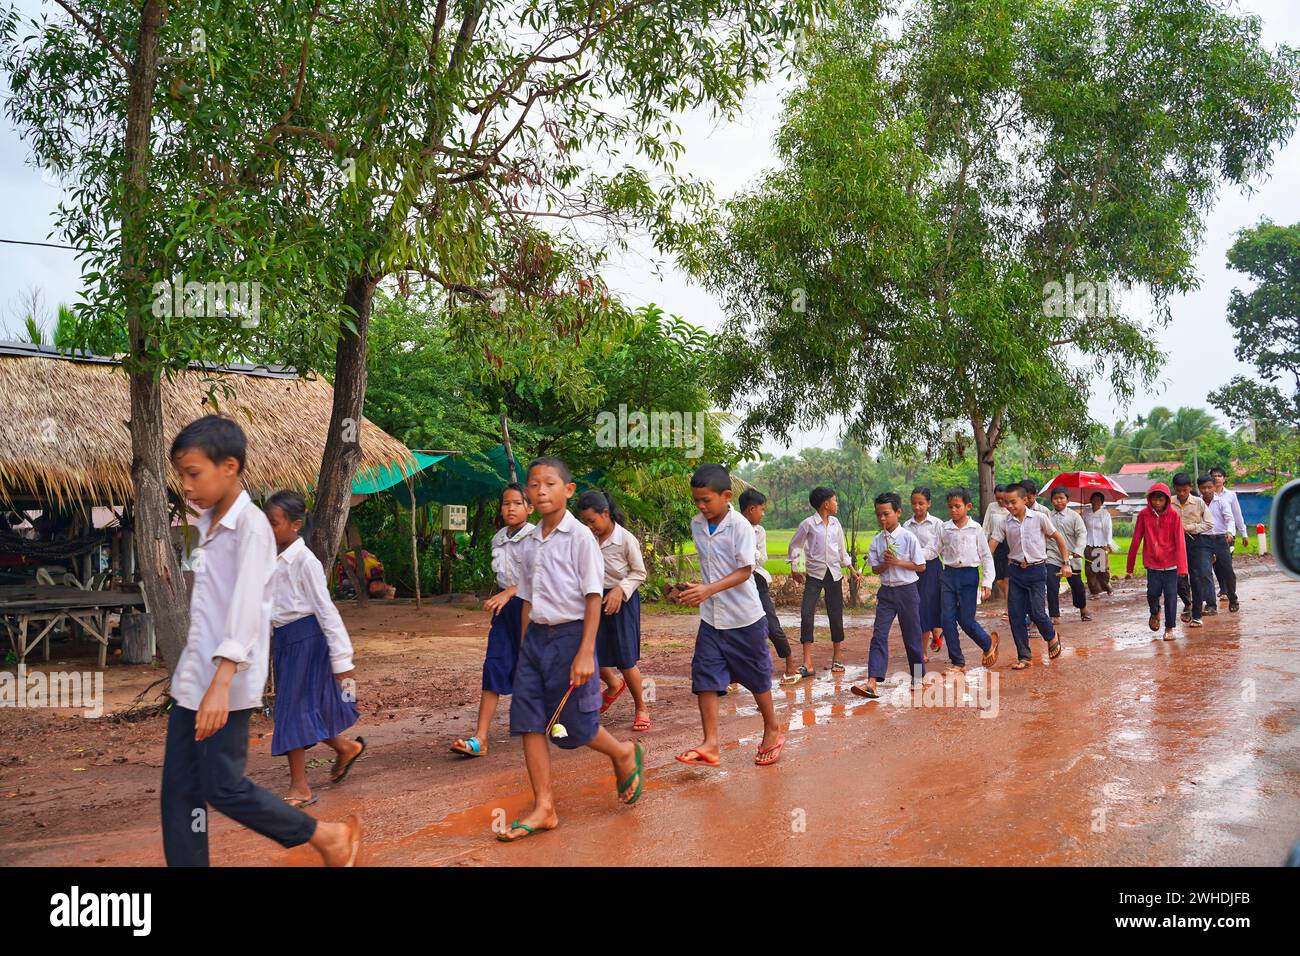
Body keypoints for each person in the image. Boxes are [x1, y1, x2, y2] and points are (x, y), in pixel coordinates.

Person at [161, 415, 360, 867]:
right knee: (181, 791)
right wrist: (195, 680)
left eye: (193, 473)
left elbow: (248, 607)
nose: (186, 486)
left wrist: (220, 682)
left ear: (228, 467)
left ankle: (326, 837)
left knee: (223, 785)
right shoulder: (208, 523)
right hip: (195, 679)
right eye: (182, 476)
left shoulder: (250, 527)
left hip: (226, 683)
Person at [500, 457, 643, 842]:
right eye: (534, 485)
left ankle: (622, 753)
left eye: (549, 483)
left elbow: (593, 597)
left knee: (575, 726)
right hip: (535, 642)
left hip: (572, 637)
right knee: (528, 719)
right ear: (528, 495)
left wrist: (585, 653)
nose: (541, 490)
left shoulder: (580, 538)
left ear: (568, 490)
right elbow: (527, 599)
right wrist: (524, 645)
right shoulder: (528, 542)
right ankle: (544, 807)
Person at [676, 464, 786, 767]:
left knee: (757, 677)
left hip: (744, 617)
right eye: (696, 500)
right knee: (705, 676)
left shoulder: (740, 526)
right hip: (712, 618)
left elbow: (744, 570)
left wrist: (708, 589)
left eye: (706, 500)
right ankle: (710, 743)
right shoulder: (697, 524)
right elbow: (711, 568)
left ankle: (772, 729)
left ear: (726, 496)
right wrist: (692, 589)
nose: (701, 506)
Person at [264, 490, 365, 807]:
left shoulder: (305, 562)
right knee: (304, 708)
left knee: (292, 711)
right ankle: (346, 748)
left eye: (274, 523)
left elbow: (326, 610)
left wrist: (342, 660)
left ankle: (300, 787)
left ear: (295, 525)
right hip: (285, 641)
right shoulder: (273, 558)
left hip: (307, 640)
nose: (268, 529)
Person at [452, 483, 535, 757]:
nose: (510, 508)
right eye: (505, 503)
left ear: (529, 508)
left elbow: (540, 579)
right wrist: (504, 594)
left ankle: (560, 719)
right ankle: (481, 738)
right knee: (494, 666)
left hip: (532, 609)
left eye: (516, 503)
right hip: (504, 612)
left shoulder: (537, 538)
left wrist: (511, 592)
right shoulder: (497, 538)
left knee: (536, 668)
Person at [576, 489, 652, 732]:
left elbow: (640, 572)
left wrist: (620, 590)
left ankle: (641, 707)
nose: (589, 526)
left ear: (606, 514)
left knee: (625, 658)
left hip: (623, 602)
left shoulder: (626, 539)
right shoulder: (586, 539)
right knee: (588, 650)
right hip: (594, 599)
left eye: (592, 521)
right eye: (584, 522)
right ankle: (612, 684)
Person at [850, 492, 927, 699]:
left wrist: (897, 562)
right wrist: (885, 564)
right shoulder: (877, 540)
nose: (882, 519)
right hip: (886, 593)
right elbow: (876, 569)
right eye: (879, 515)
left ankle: (918, 676)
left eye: (886, 514)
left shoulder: (908, 537)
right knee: (879, 635)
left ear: (898, 512)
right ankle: (872, 682)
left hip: (907, 591)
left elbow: (920, 566)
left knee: (912, 636)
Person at [989, 483, 1070, 670]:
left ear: (1024, 500)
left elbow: (1058, 538)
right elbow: (992, 544)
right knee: (1015, 615)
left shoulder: (1040, 518)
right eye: (1006, 503)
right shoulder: (1004, 523)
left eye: (1013, 502)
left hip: (1037, 570)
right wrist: (984, 562)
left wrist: (1065, 563)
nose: (1009, 506)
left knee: (1037, 612)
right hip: (1016, 572)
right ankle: (1024, 656)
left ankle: (1051, 636)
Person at [787, 486, 860, 677]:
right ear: (826, 504)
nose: (837, 503)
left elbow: (841, 550)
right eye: (834, 500)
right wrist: (794, 567)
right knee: (807, 614)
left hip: (834, 575)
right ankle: (808, 663)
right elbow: (795, 545)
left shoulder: (836, 524)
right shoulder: (808, 524)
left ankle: (837, 658)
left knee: (835, 616)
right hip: (814, 575)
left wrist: (851, 569)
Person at [738, 488, 801, 686]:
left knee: (771, 625)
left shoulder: (759, 531)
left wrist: (750, 550)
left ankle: (790, 662)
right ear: (750, 509)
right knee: (736, 627)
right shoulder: (734, 528)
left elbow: (762, 559)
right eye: (762, 510)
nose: (763, 514)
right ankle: (733, 675)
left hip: (756, 580)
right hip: (736, 582)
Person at [935, 488, 999, 671]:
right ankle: (958, 662)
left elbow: (986, 556)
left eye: (957, 506)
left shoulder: (976, 528)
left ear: (967, 507)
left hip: (969, 576)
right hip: (948, 575)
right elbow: (934, 549)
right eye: (950, 507)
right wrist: (914, 556)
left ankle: (987, 643)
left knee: (966, 620)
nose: (953, 510)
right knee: (946, 619)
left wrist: (987, 582)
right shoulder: (944, 528)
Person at [1126, 482, 1188, 642]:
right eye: (1155, 500)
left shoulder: (1174, 516)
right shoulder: (1143, 515)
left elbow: (1180, 541)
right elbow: (1136, 540)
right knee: (1152, 593)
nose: (1158, 503)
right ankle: (1155, 612)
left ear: (1167, 500)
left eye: (1161, 500)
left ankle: (1169, 628)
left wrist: (1182, 567)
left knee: (1171, 596)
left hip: (1171, 564)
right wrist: (1129, 566)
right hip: (1152, 564)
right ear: (1150, 500)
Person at [904, 486, 946, 655]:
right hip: (913, 570)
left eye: (921, 503)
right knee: (918, 607)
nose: (917, 507)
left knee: (929, 605)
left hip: (932, 568)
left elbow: (942, 549)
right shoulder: (907, 525)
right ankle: (935, 634)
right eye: (914, 503)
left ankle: (923, 651)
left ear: (929, 503)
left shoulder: (937, 524)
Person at [1171, 473, 1213, 628]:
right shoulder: (1169, 503)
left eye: (1185, 490)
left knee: (1196, 577)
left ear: (1190, 488)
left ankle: (1196, 615)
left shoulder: (1198, 502)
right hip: (1174, 544)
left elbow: (1209, 523)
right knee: (1177, 578)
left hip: (1194, 541)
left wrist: (1190, 528)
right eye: (1179, 490)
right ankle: (1188, 603)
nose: (1182, 494)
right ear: (1175, 488)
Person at [1046, 488, 1090, 623]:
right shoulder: (1047, 516)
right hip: (1052, 555)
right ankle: (1055, 615)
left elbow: (1082, 534)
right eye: (1055, 498)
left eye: (1061, 498)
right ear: (1051, 500)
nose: (1058, 501)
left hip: (1072, 556)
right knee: (1051, 583)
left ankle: (1083, 609)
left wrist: (1078, 549)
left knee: (1077, 585)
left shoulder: (1074, 516)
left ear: (1067, 500)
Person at [1210, 466, 1246, 612]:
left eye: (1220, 475)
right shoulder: (1205, 496)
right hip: (1209, 537)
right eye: (1214, 475)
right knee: (1215, 565)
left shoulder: (1230, 495)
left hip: (1227, 535)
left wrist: (1243, 533)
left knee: (1226, 563)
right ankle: (1222, 589)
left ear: (1224, 478)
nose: (1217, 478)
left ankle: (1227, 591)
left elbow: (1237, 515)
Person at [1200, 474, 1236, 615]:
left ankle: (1233, 598)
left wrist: (1230, 532)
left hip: (1221, 539)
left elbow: (1230, 519)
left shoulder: (1221, 502)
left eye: (1209, 487)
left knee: (1227, 571)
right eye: (1203, 488)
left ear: (1214, 487)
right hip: (1203, 541)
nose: (1207, 490)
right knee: (1205, 572)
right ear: (1199, 489)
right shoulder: (1198, 503)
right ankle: (1211, 605)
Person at [1082, 491, 1117, 596]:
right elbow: (1081, 528)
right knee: (1090, 567)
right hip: (1088, 543)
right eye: (1094, 500)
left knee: (1102, 567)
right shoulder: (1085, 513)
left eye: (1098, 500)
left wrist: (1108, 543)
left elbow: (1108, 529)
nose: (1095, 502)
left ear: (1101, 502)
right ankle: (1094, 590)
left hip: (1101, 544)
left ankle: (1107, 585)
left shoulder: (1105, 514)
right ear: (1090, 500)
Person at [985, 485, 1012, 603]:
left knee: (1007, 578)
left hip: (1009, 544)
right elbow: (986, 526)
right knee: (999, 579)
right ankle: (1013, 601)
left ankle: (1009, 607)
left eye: (1003, 498)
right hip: (994, 544)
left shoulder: (1011, 507)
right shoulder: (991, 507)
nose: (1000, 501)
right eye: (998, 498)